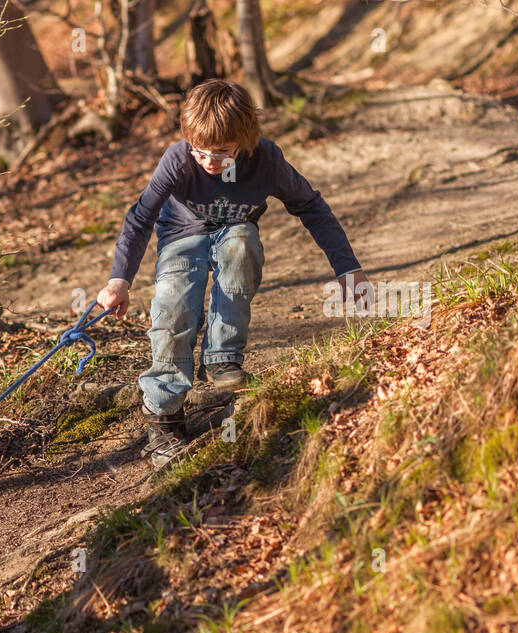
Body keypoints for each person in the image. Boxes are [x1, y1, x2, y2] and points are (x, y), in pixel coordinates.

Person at [95, 79, 370, 467]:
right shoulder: (177, 160)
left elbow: (311, 206)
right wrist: (119, 280)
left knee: (241, 243)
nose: (209, 162)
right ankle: (164, 417)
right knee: (174, 307)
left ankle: (222, 358)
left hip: (236, 231)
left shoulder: (266, 160)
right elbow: (141, 216)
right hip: (181, 236)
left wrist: (348, 269)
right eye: (200, 151)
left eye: (222, 153)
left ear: (245, 140)